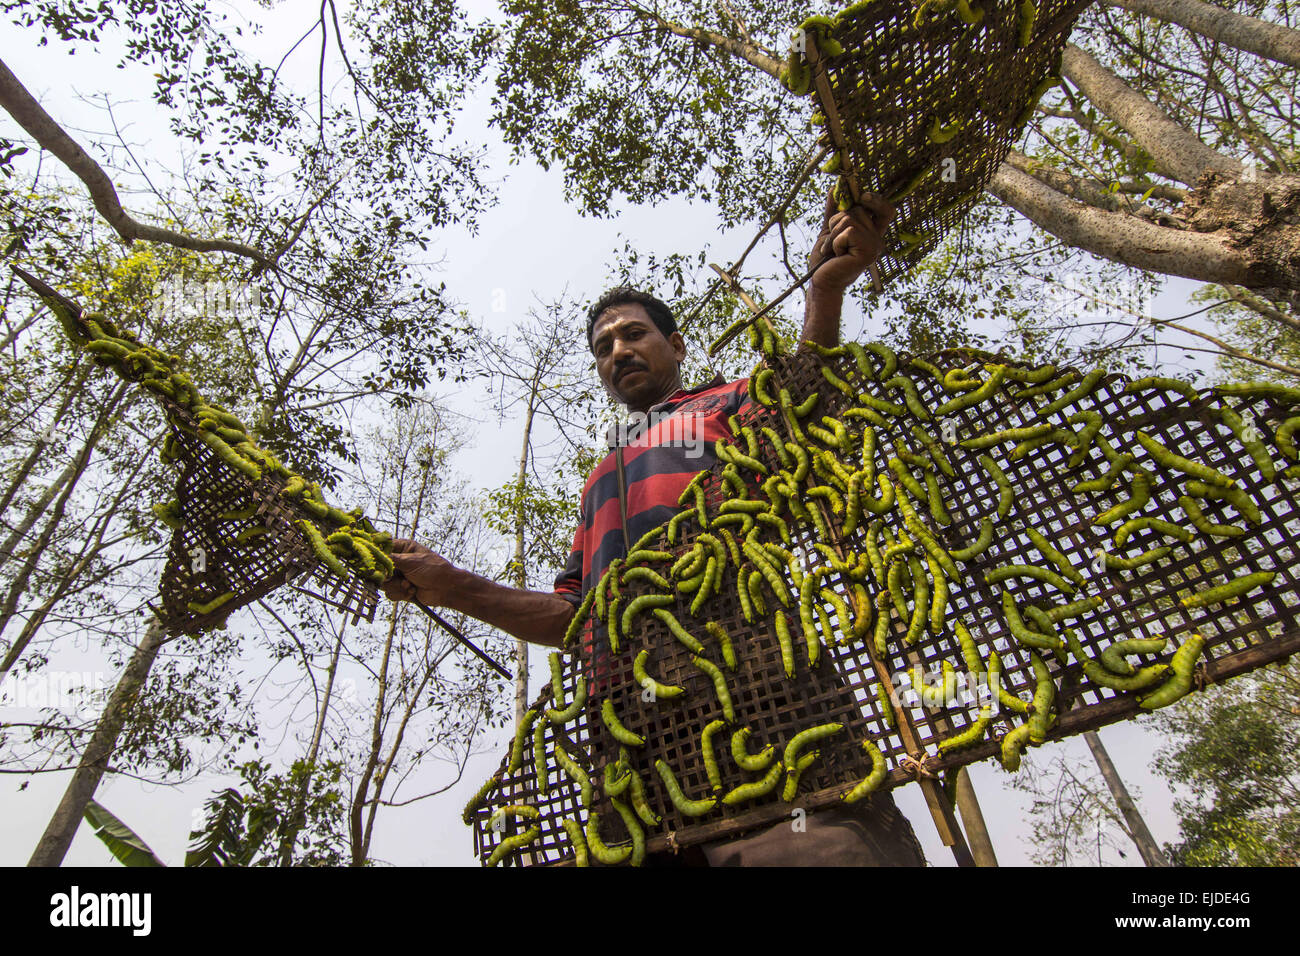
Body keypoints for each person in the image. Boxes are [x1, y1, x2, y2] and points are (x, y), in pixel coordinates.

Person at [383, 189, 927, 866]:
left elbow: (804, 394)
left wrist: (823, 293)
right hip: (630, 721)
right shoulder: (598, 480)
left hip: (750, 665)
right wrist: (450, 585)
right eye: (604, 346)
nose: (619, 351)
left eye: (633, 334)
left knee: (819, 846)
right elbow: (572, 616)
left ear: (673, 344)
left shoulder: (725, 405)